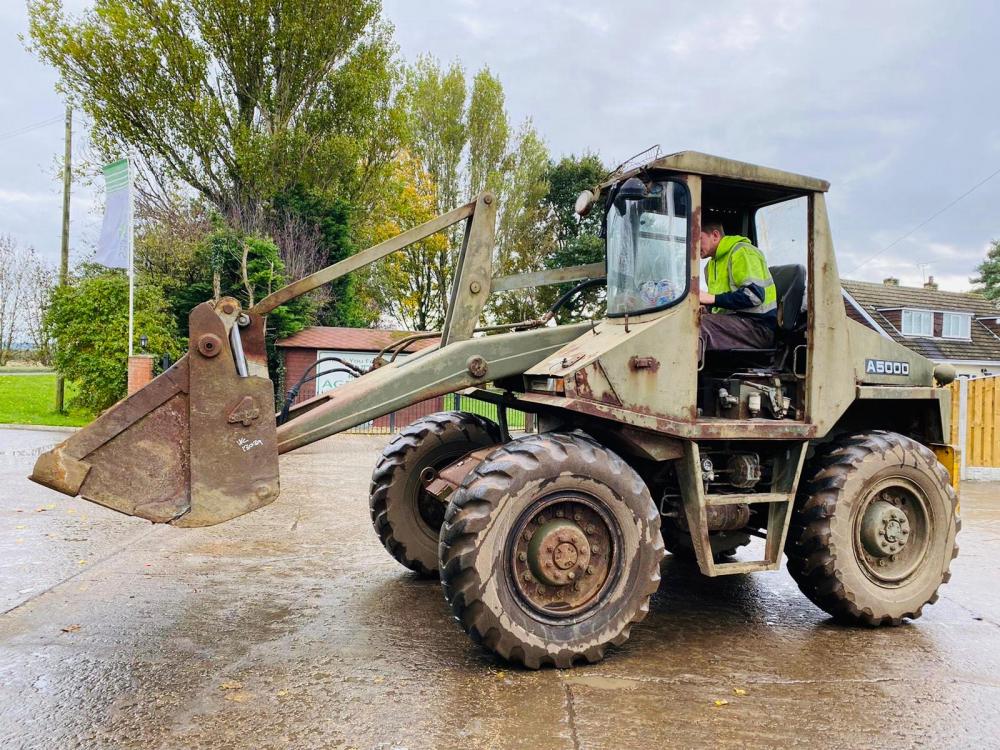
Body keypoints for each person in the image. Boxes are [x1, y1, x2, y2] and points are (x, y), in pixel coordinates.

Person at [697, 222, 777, 351]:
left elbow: (755, 296)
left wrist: (711, 299)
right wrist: (705, 307)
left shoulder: (742, 252)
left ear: (715, 235)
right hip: (735, 323)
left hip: (758, 327)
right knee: (689, 319)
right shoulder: (710, 266)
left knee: (697, 326)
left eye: (697, 238)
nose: (693, 245)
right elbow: (721, 305)